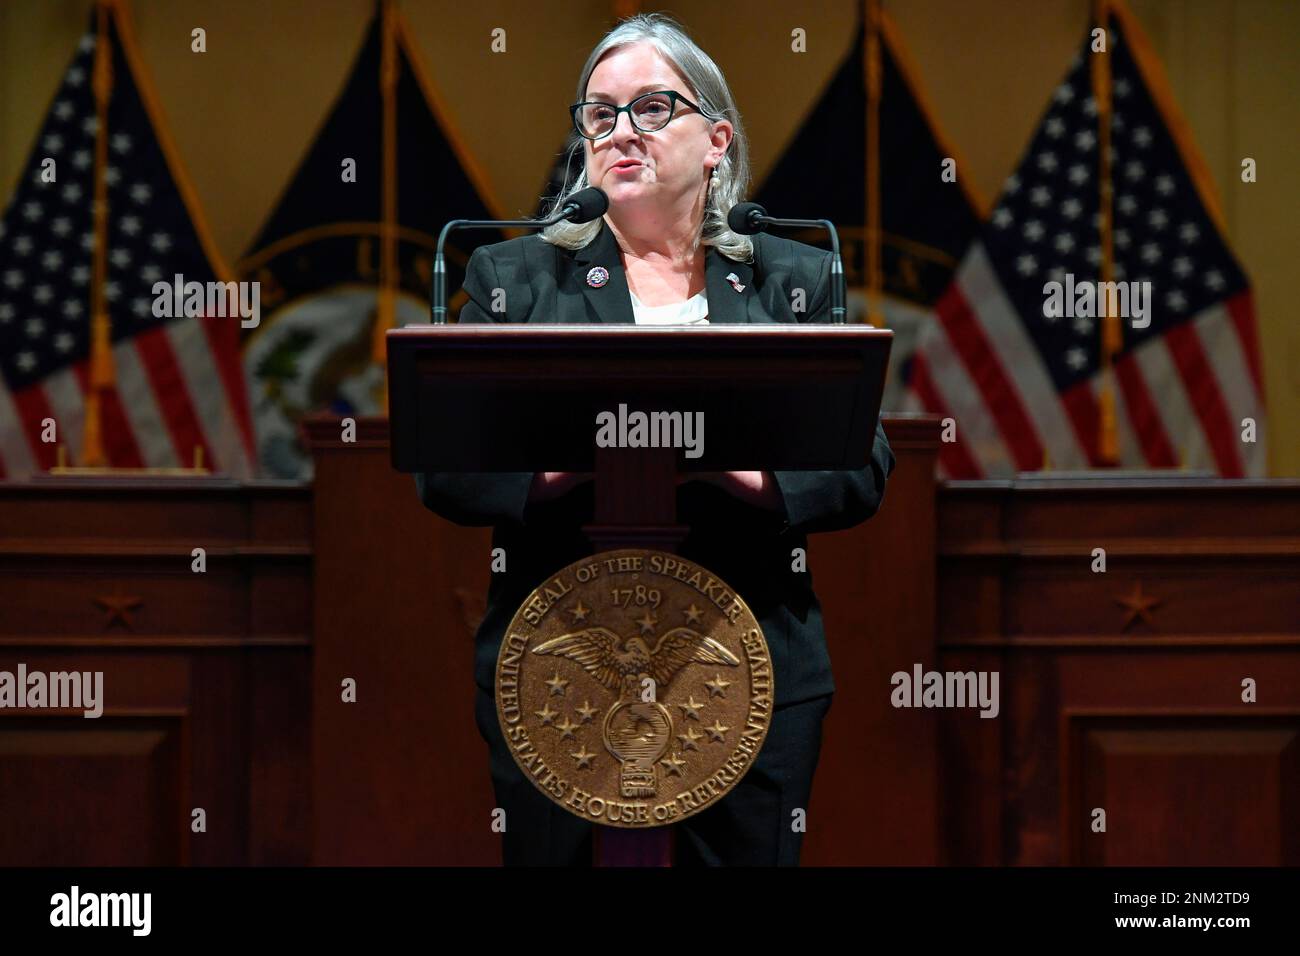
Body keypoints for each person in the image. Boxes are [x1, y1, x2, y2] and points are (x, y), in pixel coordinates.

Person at [416, 12, 894, 866]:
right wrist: (564, 469)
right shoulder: (517, 281)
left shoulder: (791, 276)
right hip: (563, 663)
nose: (619, 133)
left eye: (649, 108)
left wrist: (751, 477)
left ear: (716, 139)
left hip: (751, 662)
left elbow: (861, 463)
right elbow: (447, 464)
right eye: (599, 115)